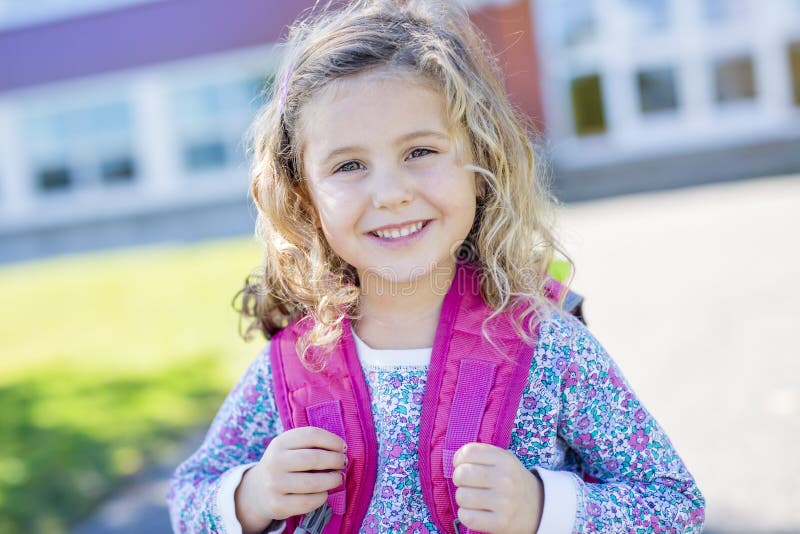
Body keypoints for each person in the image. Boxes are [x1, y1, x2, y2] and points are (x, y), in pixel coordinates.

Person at [166, 1, 705, 532]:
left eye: (420, 151)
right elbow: (188, 497)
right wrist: (252, 496)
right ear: (304, 197)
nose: (392, 193)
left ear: (481, 162)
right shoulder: (293, 365)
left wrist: (544, 508)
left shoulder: (547, 347)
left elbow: (675, 505)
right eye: (349, 165)